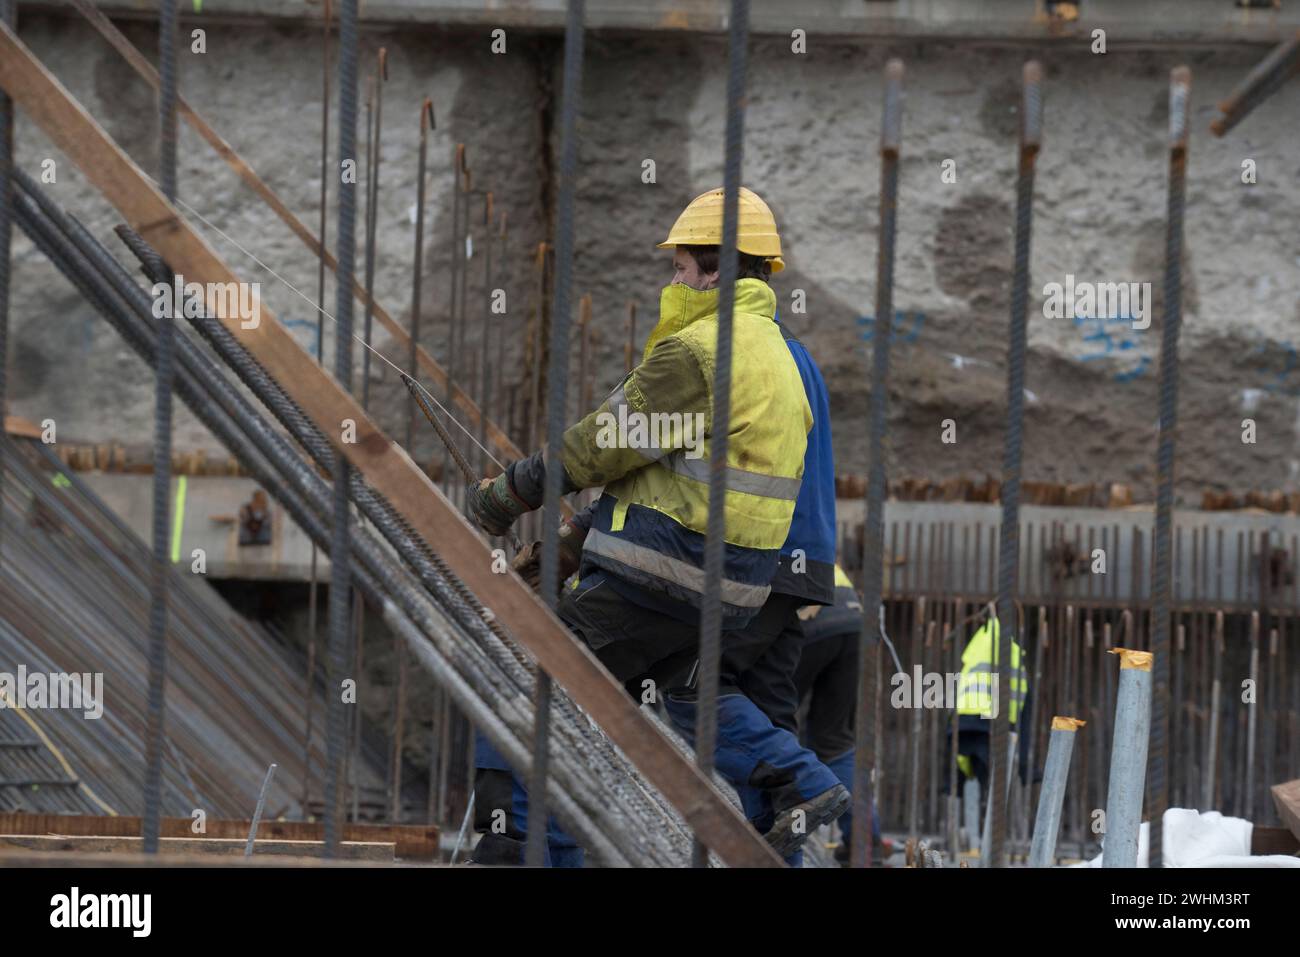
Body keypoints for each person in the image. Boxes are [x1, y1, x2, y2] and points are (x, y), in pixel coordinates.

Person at [464, 186, 847, 864]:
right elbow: (668, 475)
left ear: (717, 270)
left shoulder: (700, 351)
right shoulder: (783, 358)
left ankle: (514, 847)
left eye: (680, 267)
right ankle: (795, 785)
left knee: (521, 676)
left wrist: (512, 491)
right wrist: (577, 544)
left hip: (657, 577)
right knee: (648, 703)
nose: (673, 279)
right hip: (727, 595)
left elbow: (603, 443)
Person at [793, 564, 892, 864]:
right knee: (834, 741)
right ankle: (865, 844)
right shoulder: (818, 544)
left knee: (768, 717)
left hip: (811, 621)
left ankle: (778, 821)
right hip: (854, 624)